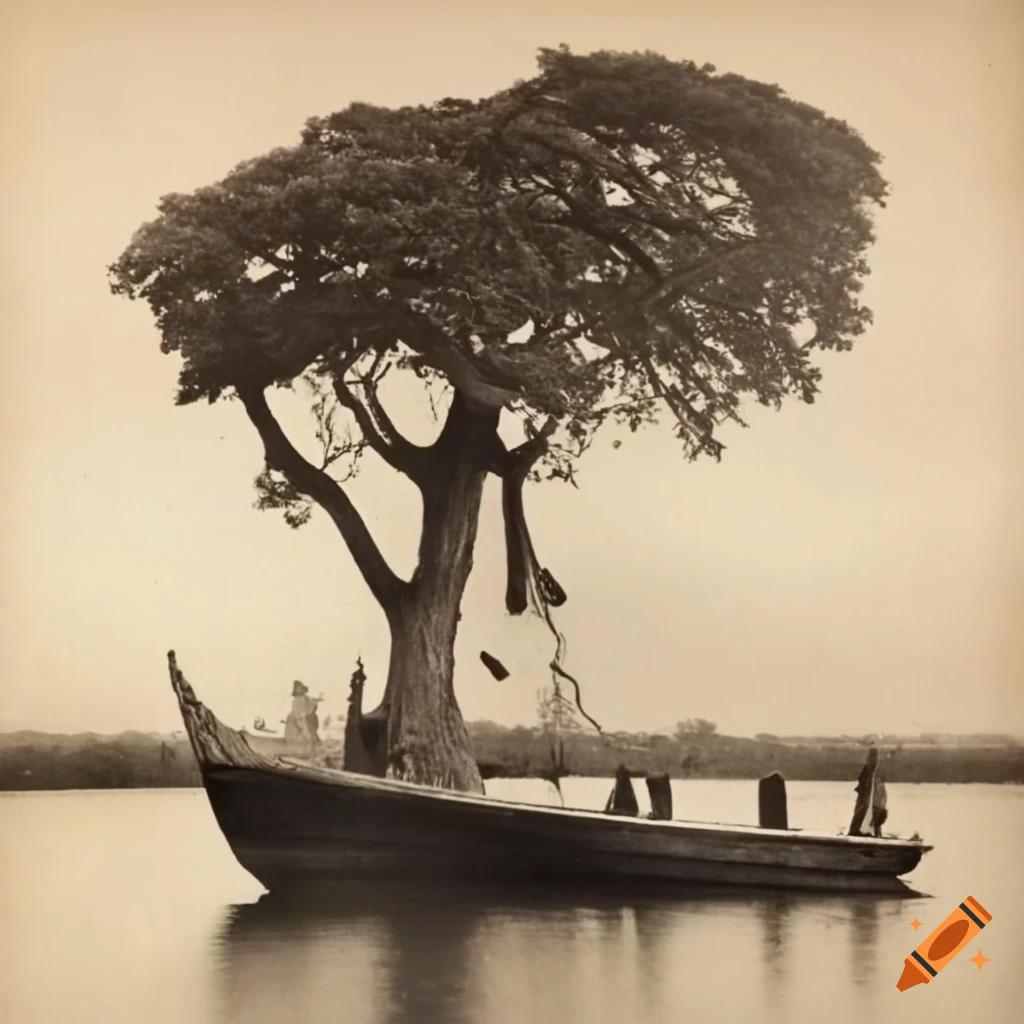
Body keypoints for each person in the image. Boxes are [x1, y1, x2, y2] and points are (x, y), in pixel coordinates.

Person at [848, 745, 888, 837]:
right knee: (864, 817)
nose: (875, 760)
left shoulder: (876, 775)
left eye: (875, 758)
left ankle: (870, 833)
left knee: (872, 819)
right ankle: (863, 832)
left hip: (874, 807)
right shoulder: (867, 774)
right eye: (872, 758)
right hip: (867, 806)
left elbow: (881, 794)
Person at [283, 680, 322, 752]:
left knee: (312, 721)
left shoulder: (305, 700)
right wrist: (307, 734)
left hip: (302, 729)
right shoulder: (297, 702)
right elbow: (300, 721)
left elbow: (312, 700)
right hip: (295, 735)